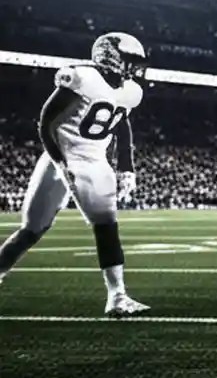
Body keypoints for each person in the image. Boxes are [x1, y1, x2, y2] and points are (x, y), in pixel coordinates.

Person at [0, 32, 150, 317]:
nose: (135, 68)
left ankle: (117, 297)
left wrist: (126, 167)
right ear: (112, 57)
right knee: (33, 228)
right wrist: (60, 162)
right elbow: (46, 121)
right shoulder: (83, 78)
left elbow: (122, 124)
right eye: (131, 61)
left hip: (93, 161)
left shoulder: (130, 91)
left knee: (106, 224)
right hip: (62, 155)